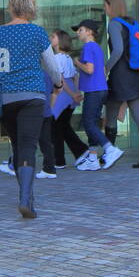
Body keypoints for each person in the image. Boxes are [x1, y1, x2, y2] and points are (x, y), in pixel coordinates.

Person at [0, 0, 62, 219]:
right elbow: (51, 66)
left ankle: (24, 194)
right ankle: (26, 198)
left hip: (5, 97)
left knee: (17, 145)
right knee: (29, 146)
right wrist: (58, 84)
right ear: (31, 7)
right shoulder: (37, 32)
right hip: (33, 96)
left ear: (11, 7)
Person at [102, 0, 139, 168]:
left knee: (111, 114)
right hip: (136, 74)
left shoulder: (114, 24)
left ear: (111, 6)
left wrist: (106, 68)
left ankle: (108, 155)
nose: (104, 9)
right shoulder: (132, 22)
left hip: (120, 75)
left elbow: (117, 50)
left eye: (105, 5)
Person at [72, 19, 120, 170]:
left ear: (89, 32)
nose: (78, 33)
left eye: (80, 30)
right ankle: (92, 158)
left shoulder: (88, 47)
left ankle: (110, 149)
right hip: (99, 89)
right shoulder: (96, 47)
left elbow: (89, 70)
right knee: (92, 122)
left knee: (89, 123)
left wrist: (76, 63)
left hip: (94, 90)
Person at [46, 29, 89, 172]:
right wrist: (77, 92)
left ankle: (61, 159)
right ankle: (79, 152)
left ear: (60, 40)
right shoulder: (68, 58)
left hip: (63, 95)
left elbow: (61, 79)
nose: (50, 38)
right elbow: (75, 76)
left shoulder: (57, 58)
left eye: (53, 36)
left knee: (55, 127)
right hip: (70, 96)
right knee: (62, 127)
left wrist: (72, 94)